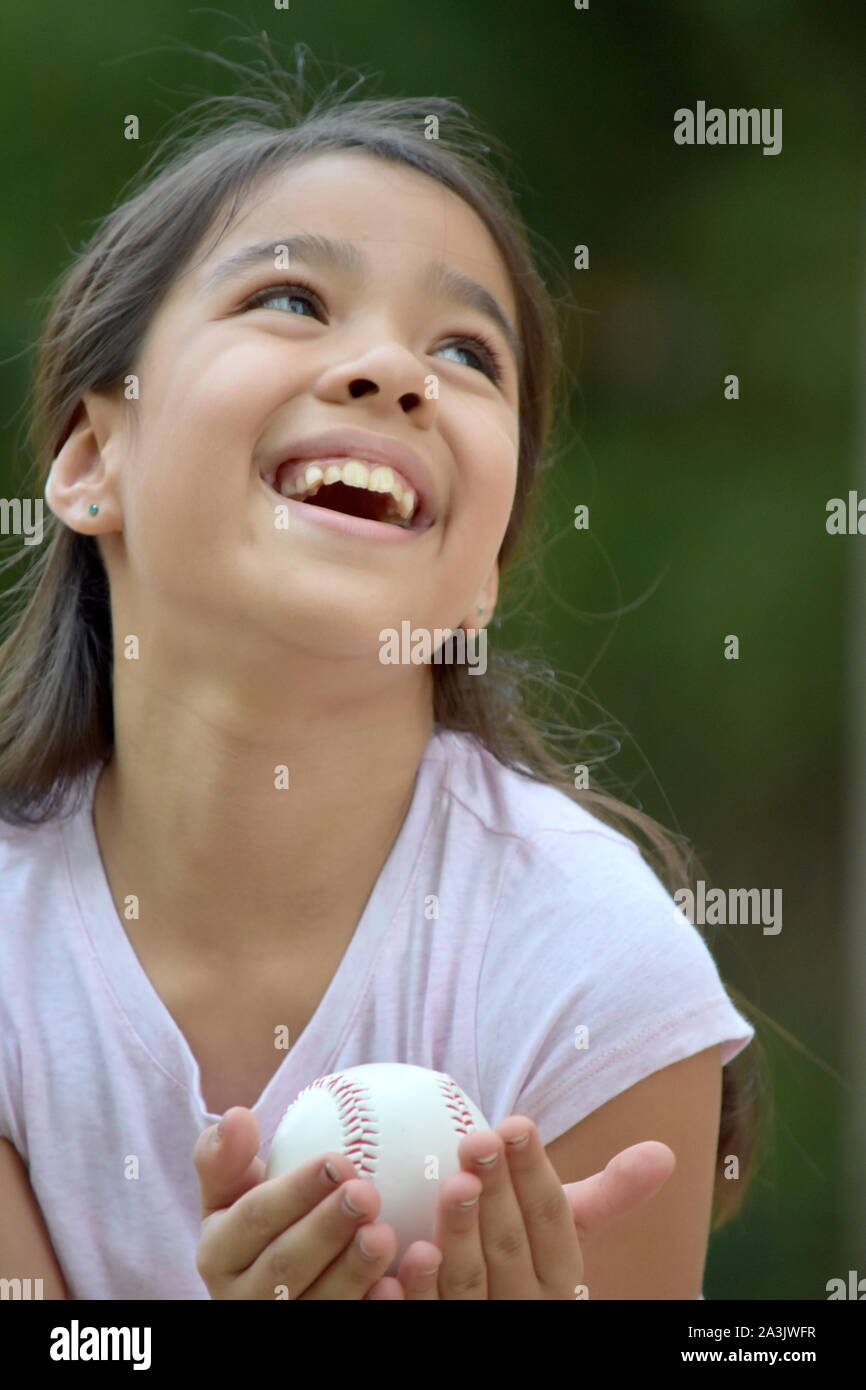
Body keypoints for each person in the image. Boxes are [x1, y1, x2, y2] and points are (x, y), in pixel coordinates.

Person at [0, 47, 757, 1300]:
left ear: (479, 582)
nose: (394, 373)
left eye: (467, 354)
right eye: (293, 299)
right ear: (92, 458)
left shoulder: (599, 971)